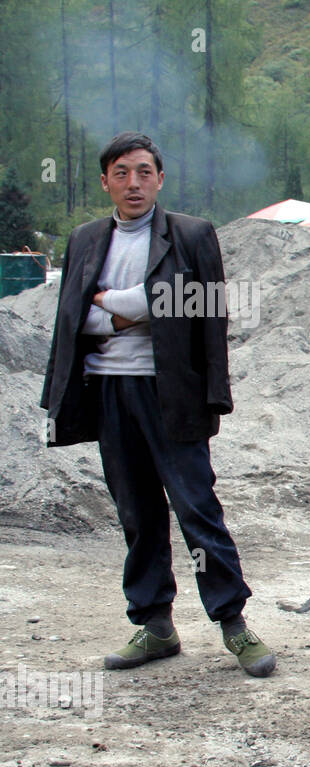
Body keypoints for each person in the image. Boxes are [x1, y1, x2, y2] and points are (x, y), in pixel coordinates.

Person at [40, 132, 274, 677]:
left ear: (160, 178)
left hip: (171, 392)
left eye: (144, 172)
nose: (134, 183)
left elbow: (207, 312)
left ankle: (234, 622)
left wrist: (114, 304)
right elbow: (73, 320)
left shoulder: (190, 235)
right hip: (107, 390)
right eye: (121, 173)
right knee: (137, 513)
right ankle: (154, 624)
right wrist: (136, 308)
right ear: (106, 182)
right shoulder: (85, 239)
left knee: (196, 507)